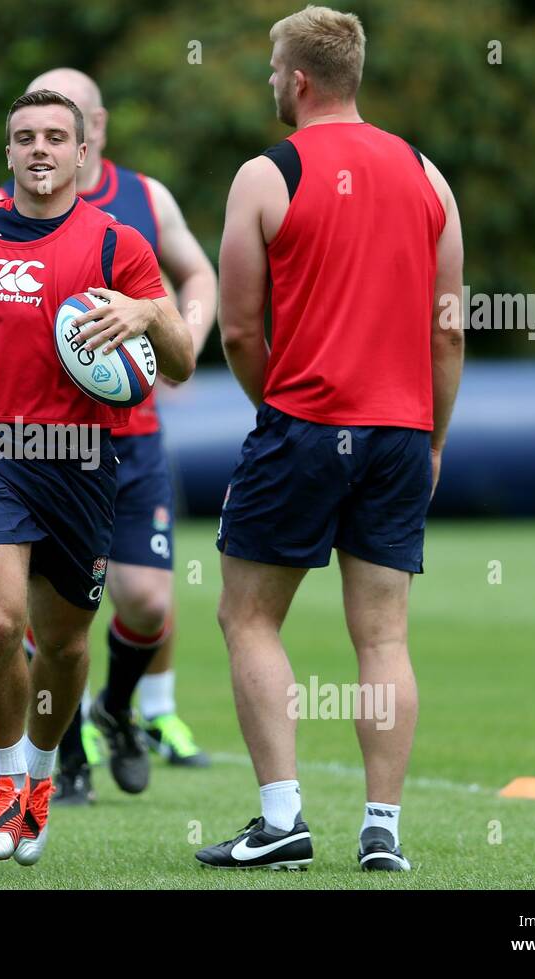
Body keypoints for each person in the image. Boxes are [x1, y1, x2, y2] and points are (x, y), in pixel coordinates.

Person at [196, 5, 464, 871]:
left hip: (306, 422)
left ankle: (281, 820)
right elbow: (449, 330)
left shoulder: (265, 174)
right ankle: (381, 826)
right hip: (399, 432)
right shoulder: (429, 173)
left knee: (248, 614)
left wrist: (274, 409)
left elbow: (238, 331)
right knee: (383, 636)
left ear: (299, 79)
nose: (271, 83)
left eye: (275, 71)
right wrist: (432, 437)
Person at [0, 89, 192, 863]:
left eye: (55, 137)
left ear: (79, 153)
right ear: (9, 153)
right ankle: (5, 776)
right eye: (24, 137)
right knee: (0, 622)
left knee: (64, 647)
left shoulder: (117, 242)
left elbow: (184, 361)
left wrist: (146, 316)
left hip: (80, 459)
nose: (40, 149)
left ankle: (39, 772)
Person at [0, 69, 218, 803]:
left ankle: (116, 708)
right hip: (35, 442)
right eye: (35, 127)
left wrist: (181, 337)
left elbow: (198, 273)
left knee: (145, 602)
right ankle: (63, 737)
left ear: (95, 129)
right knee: (23, 608)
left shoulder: (144, 200)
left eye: (69, 122)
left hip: (130, 438)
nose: (49, 140)